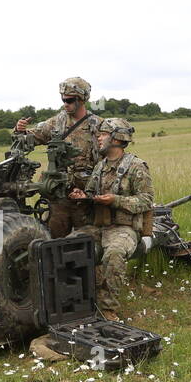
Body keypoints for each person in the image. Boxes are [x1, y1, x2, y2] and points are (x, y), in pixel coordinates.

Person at [71, 117, 154, 320]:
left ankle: (108, 309)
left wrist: (115, 200)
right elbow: (91, 193)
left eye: (103, 134)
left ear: (117, 138)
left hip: (124, 228)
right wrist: (83, 197)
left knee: (114, 253)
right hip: (99, 227)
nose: (98, 138)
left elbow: (146, 201)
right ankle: (76, 301)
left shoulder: (136, 166)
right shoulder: (100, 167)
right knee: (69, 244)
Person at [14, 76, 100, 237]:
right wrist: (21, 130)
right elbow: (31, 139)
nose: (65, 104)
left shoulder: (98, 126)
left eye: (69, 100)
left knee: (89, 243)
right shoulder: (56, 123)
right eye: (63, 99)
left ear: (82, 99)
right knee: (53, 240)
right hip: (59, 198)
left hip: (86, 199)